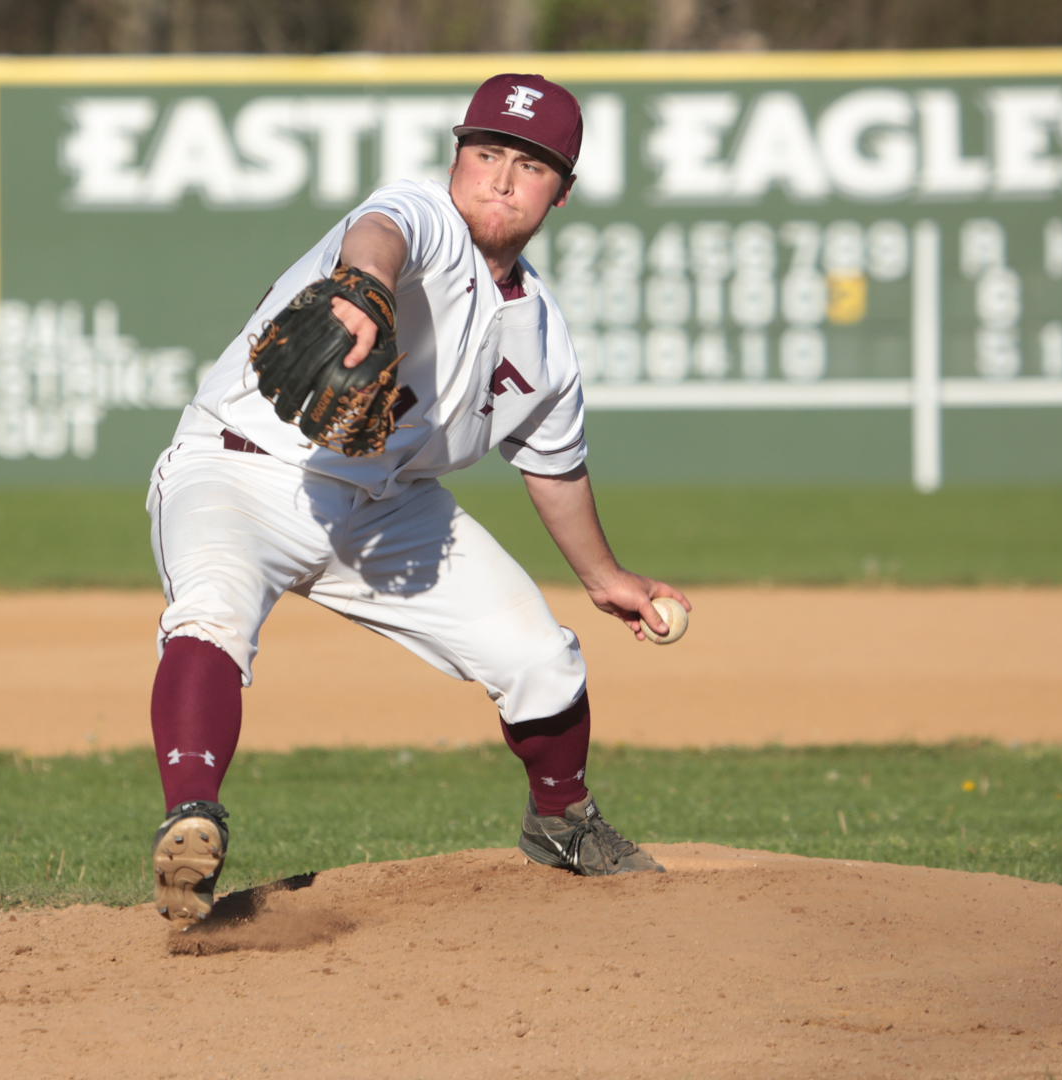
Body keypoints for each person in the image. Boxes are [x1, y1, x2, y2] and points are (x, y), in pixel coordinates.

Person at [144, 73, 692, 929]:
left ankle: (562, 821)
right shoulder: (423, 217)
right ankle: (191, 816)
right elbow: (381, 231)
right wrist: (363, 285)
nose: (502, 179)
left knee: (542, 657)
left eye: (531, 165)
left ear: (564, 190)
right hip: (243, 469)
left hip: (385, 506)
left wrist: (604, 574)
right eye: (486, 154)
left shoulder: (543, 333)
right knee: (209, 614)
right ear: (457, 158)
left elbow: (552, 463)